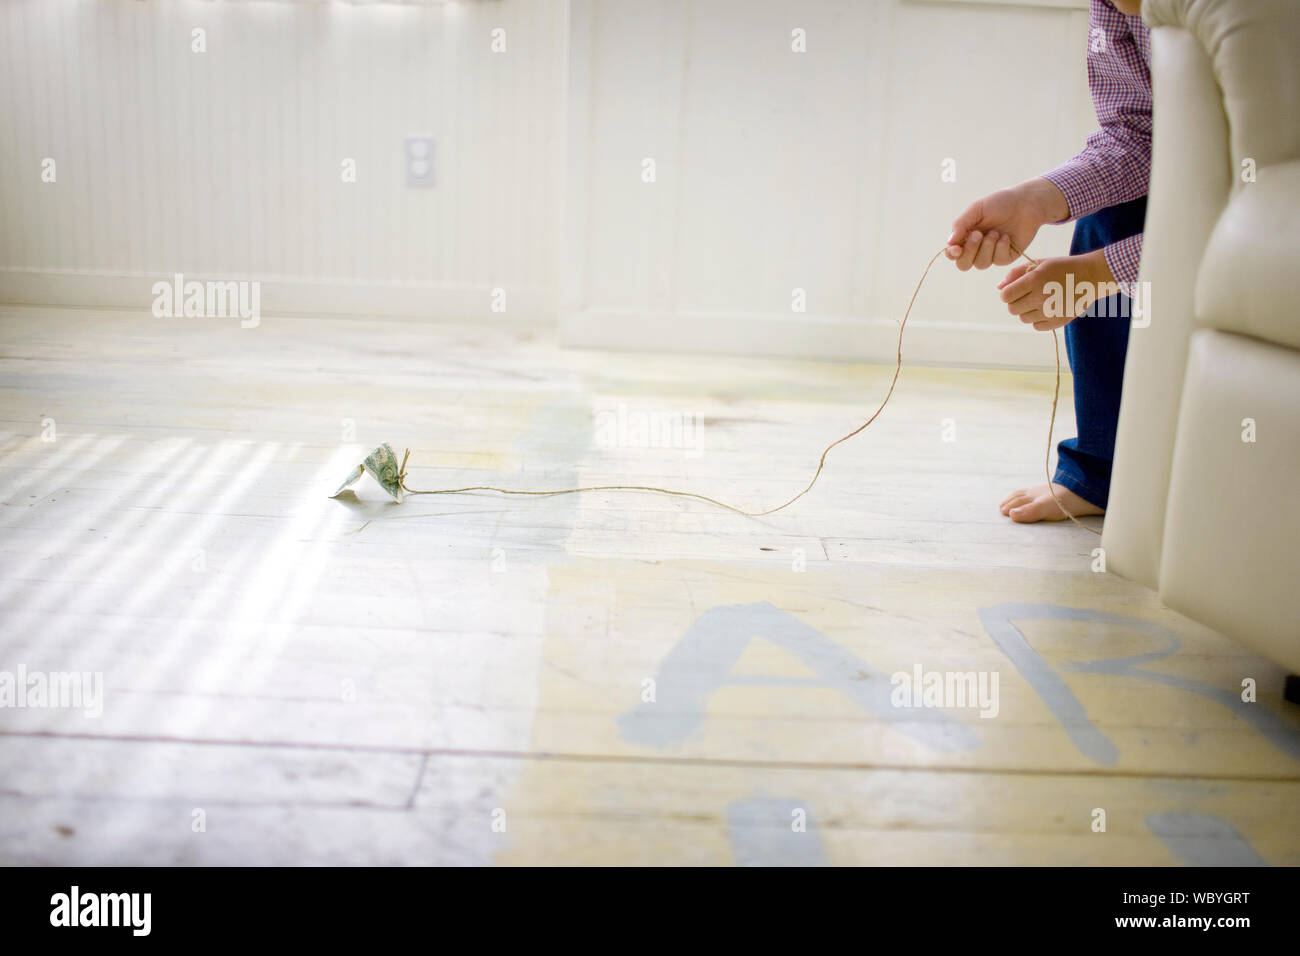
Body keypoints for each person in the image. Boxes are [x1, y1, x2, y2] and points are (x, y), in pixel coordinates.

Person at [946, 0, 1150, 523]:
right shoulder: (1116, 8)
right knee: (1105, 222)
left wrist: (1103, 272)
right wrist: (1036, 200)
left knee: (1104, 255)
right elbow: (1138, 132)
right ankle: (1101, 470)